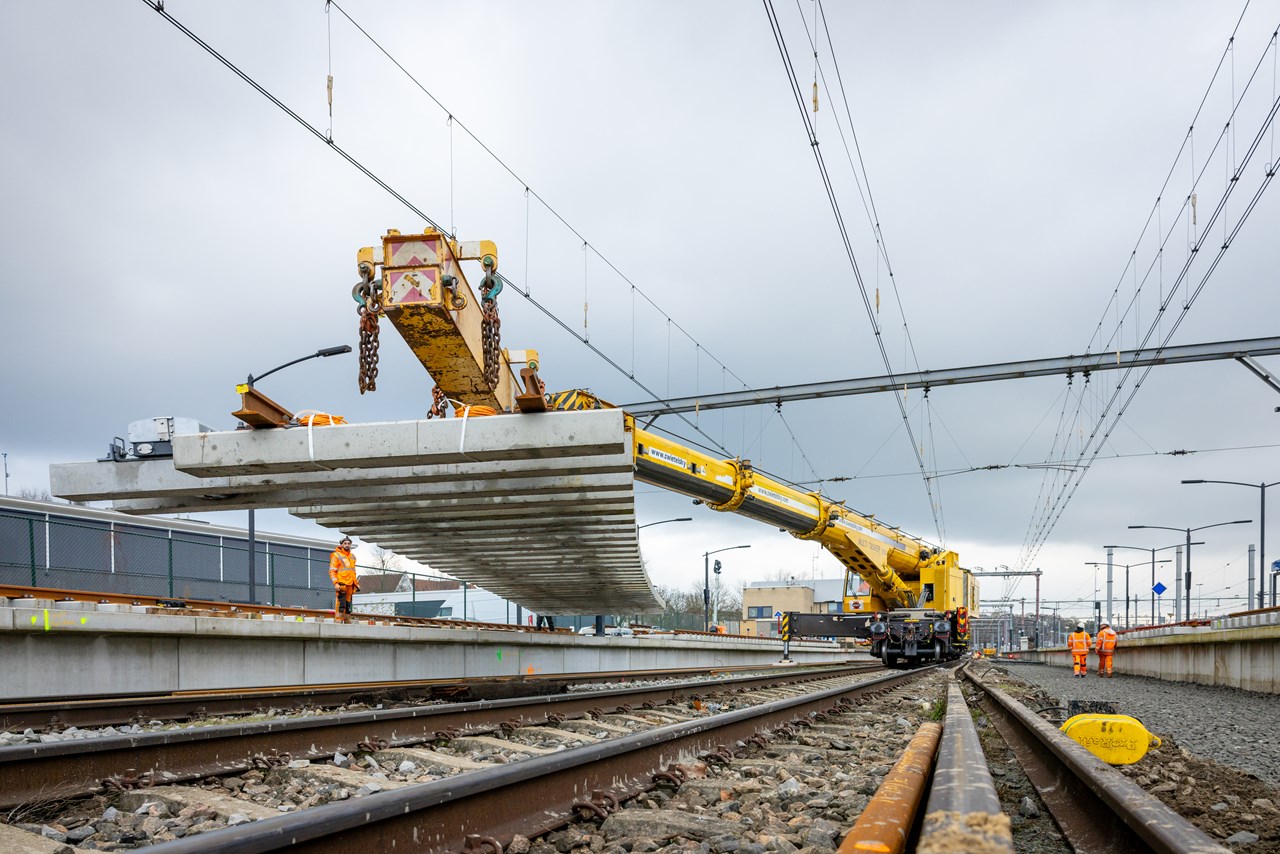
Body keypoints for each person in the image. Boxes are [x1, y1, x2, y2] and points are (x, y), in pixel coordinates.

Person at [329, 537, 359, 622]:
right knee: (340, 603)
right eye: (345, 543)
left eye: (348, 543)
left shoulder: (352, 557)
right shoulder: (336, 555)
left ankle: (347, 620)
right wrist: (335, 583)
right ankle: (338, 620)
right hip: (342, 583)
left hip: (350, 583)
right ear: (341, 545)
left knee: (348, 604)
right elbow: (332, 571)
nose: (347, 545)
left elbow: (353, 571)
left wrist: (356, 583)